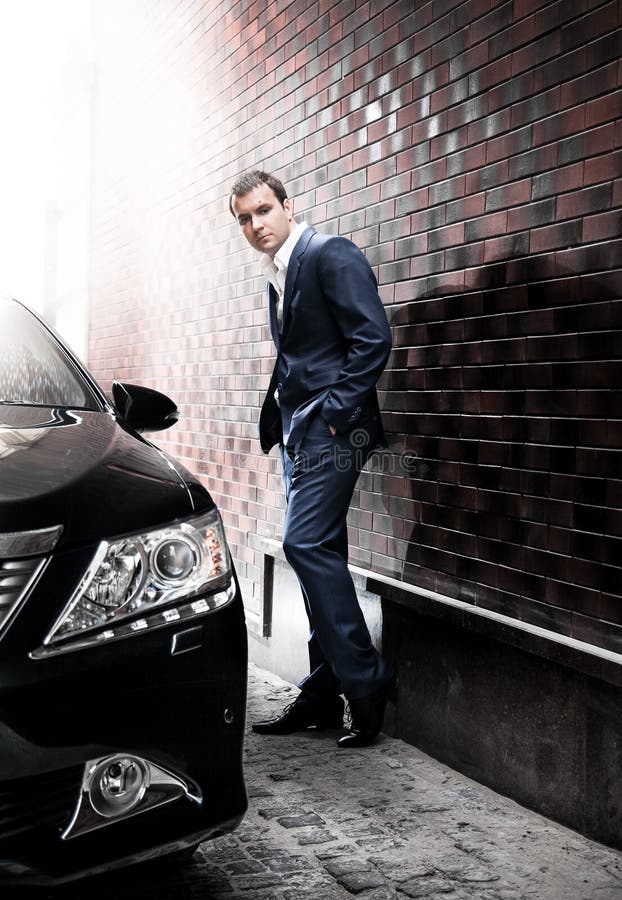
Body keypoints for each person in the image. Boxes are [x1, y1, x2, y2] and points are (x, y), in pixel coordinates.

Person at [229, 170, 395, 747]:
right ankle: (324, 693)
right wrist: (280, 416)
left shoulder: (330, 254)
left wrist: (331, 415)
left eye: (263, 211)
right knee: (319, 556)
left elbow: (373, 337)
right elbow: (299, 355)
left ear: (287, 206)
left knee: (302, 545)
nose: (255, 226)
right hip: (301, 436)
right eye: (244, 219)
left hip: (332, 433)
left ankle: (366, 683)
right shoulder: (277, 274)